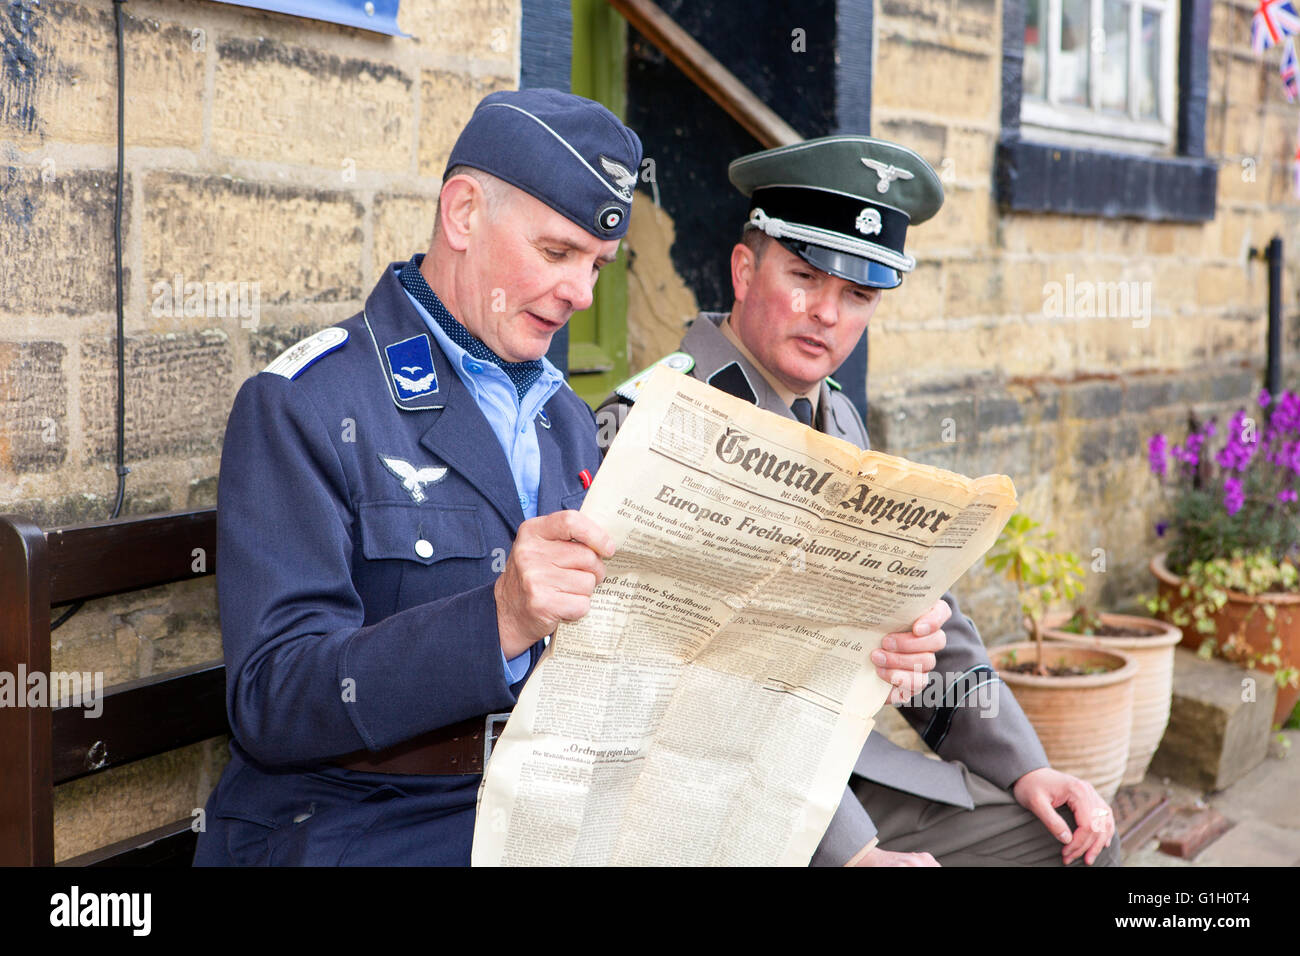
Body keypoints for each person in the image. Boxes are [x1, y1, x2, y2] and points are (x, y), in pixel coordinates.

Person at [193, 91, 939, 866]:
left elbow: (659, 669)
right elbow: (270, 700)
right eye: (556, 253)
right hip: (364, 827)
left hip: (553, 819)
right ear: (463, 213)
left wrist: (851, 655)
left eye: (597, 264)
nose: (582, 294)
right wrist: (499, 618)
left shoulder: (566, 422)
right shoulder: (308, 403)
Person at [596, 135, 1120, 867]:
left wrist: (1029, 767)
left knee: (1068, 841)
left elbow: (926, 612)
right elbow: (662, 676)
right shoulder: (649, 423)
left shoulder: (835, 414)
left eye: (858, 295)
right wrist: (854, 853)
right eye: (805, 277)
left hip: (832, 771)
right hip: (700, 796)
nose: (827, 315)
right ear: (745, 270)